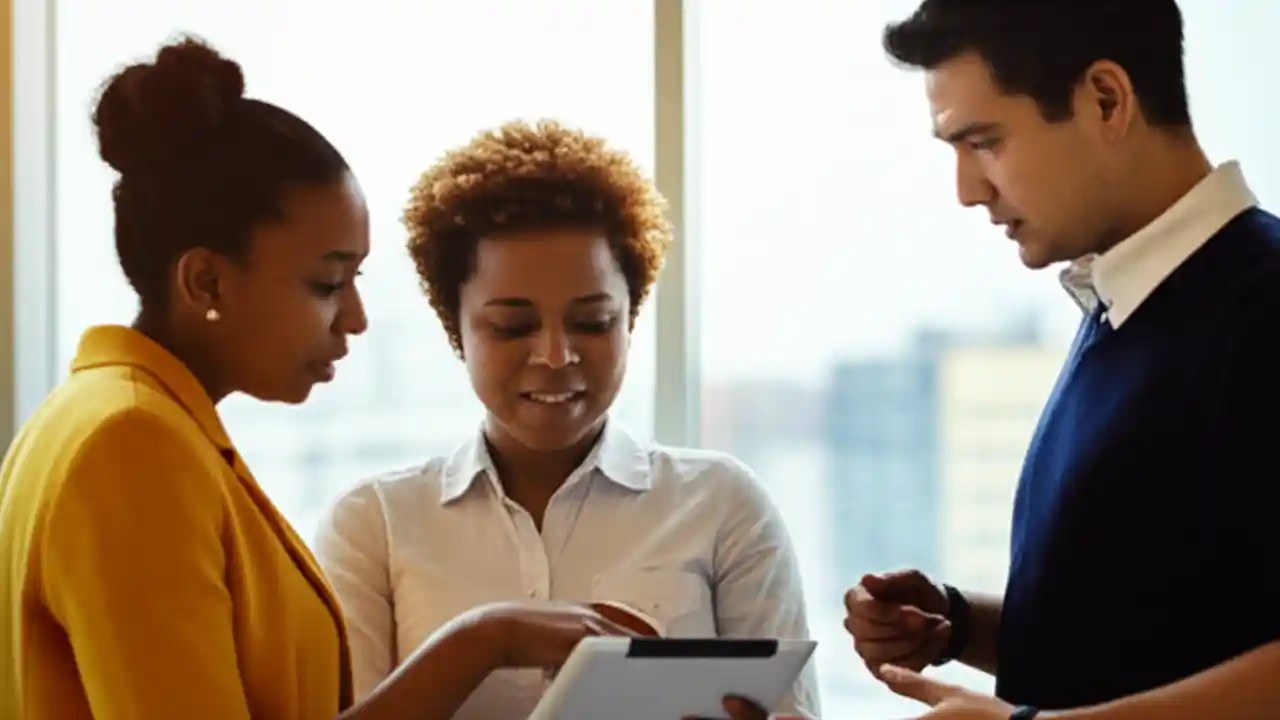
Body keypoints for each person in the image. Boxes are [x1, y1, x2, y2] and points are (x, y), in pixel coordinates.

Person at [0, 38, 635, 720]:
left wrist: (488, 640)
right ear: (207, 279)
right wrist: (482, 642)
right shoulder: (131, 443)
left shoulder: (116, 419)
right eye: (327, 283)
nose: (355, 319)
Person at [832, 2, 1280, 719]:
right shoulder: (1128, 305)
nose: (967, 190)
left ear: (1106, 99)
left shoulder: (1262, 307)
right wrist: (959, 624)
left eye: (984, 142)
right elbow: (1165, 628)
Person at [313, 120, 820, 719]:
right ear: (457, 330)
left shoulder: (721, 504)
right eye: (512, 326)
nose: (556, 356)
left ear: (630, 319)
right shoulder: (377, 524)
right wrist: (482, 641)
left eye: (592, 322)